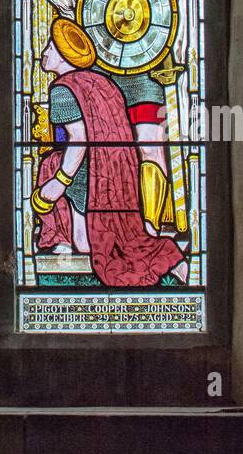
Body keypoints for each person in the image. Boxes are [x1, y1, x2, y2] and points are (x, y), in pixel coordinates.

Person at [41, 0, 184, 234]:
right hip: (102, 62)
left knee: (149, 143)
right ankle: (108, 226)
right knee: (105, 145)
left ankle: (151, 225)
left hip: (147, 62)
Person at [32, 18, 187, 286]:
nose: (44, 52)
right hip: (114, 171)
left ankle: (62, 238)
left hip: (87, 174)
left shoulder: (63, 89)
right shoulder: (98, 82)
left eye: (51, 47)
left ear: (65, 56)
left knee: (51, 166)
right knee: (104, 241)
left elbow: (79, 140)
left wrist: (59, 181)